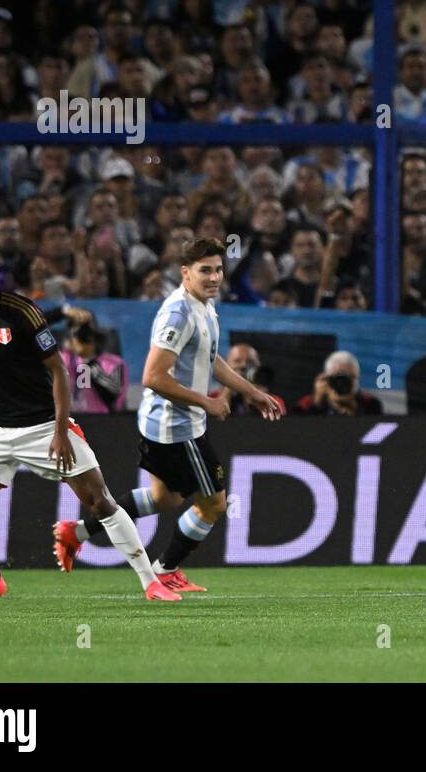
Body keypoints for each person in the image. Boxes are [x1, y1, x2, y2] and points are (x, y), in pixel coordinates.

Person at [0, 246, 179, 601]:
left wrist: (59, 431)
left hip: (43, 425)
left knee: (99, 500)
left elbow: (58, 370)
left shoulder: (22, 312)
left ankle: (151, 583)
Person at [52, 238, 284, 592]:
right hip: (177, 428)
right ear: (185, 273)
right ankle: (165, 570)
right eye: (205, 270)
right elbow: (153, 376)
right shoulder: (179, 313)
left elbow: (208, 357)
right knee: (214, 505)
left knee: (165, 499)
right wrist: (205, 401)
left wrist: (251, 392)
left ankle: (76, 532)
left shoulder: (204, 306)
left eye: (218, 269)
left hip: (164, 422)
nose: (214, 277)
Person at [59, 314, 130, 413]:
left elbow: (113, 395)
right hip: (72, 420)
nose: (79, 339)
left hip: (101, 420)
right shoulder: (66, 359)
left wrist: (88, 360)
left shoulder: (114, 363)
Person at [294, 351, 383, 414]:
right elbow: (297, 430)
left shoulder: (371, 404)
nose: (343, 382)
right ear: (326, 378)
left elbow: (377, 434)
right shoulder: (307, 404)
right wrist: (317, 402)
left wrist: (355, 409)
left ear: (358, 378)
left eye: (350, 377)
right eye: (338, 377)